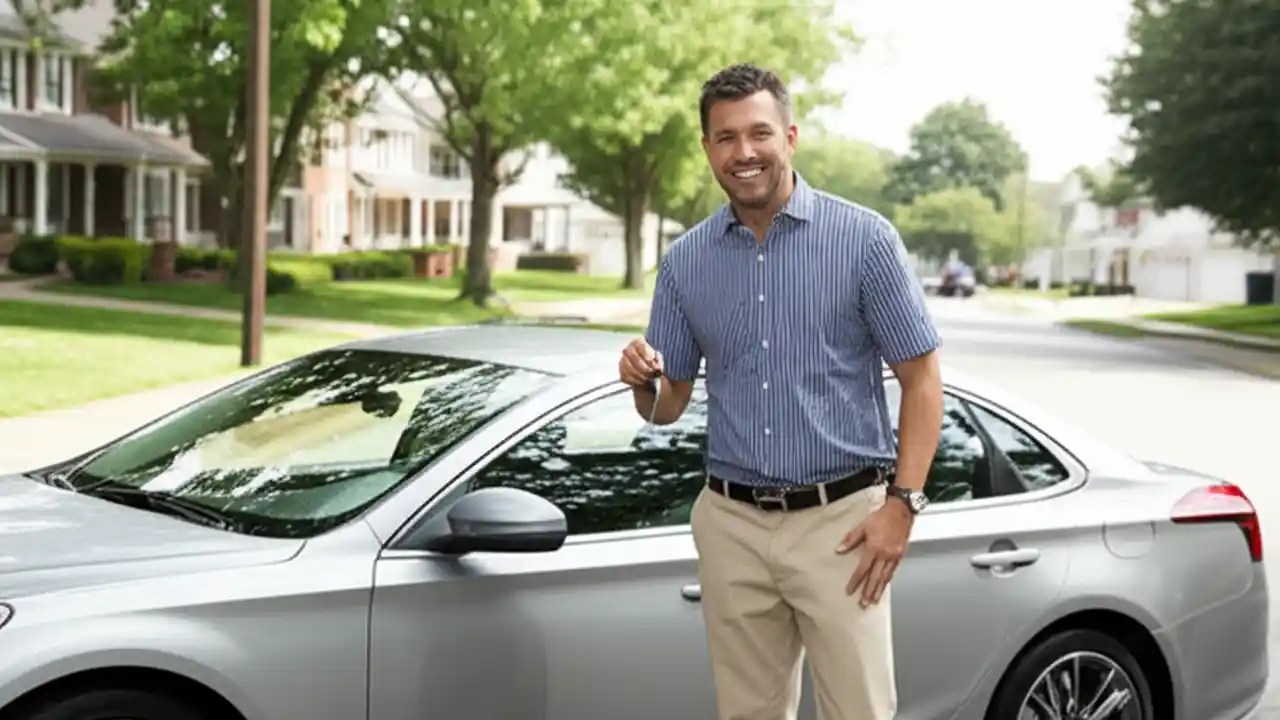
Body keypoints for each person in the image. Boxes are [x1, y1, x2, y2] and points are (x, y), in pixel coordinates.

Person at [617, 63, 944, 720]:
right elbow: (668, 405)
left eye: (759, 132)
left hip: (842, 523)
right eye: (725, 137)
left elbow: (922, 378)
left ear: (790, 136)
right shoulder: (686, 262)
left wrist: (902, 507)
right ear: (708, 149)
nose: (744, 152)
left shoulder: (864, 241)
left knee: (859, 712)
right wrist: (643, 380)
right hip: (731, 522)